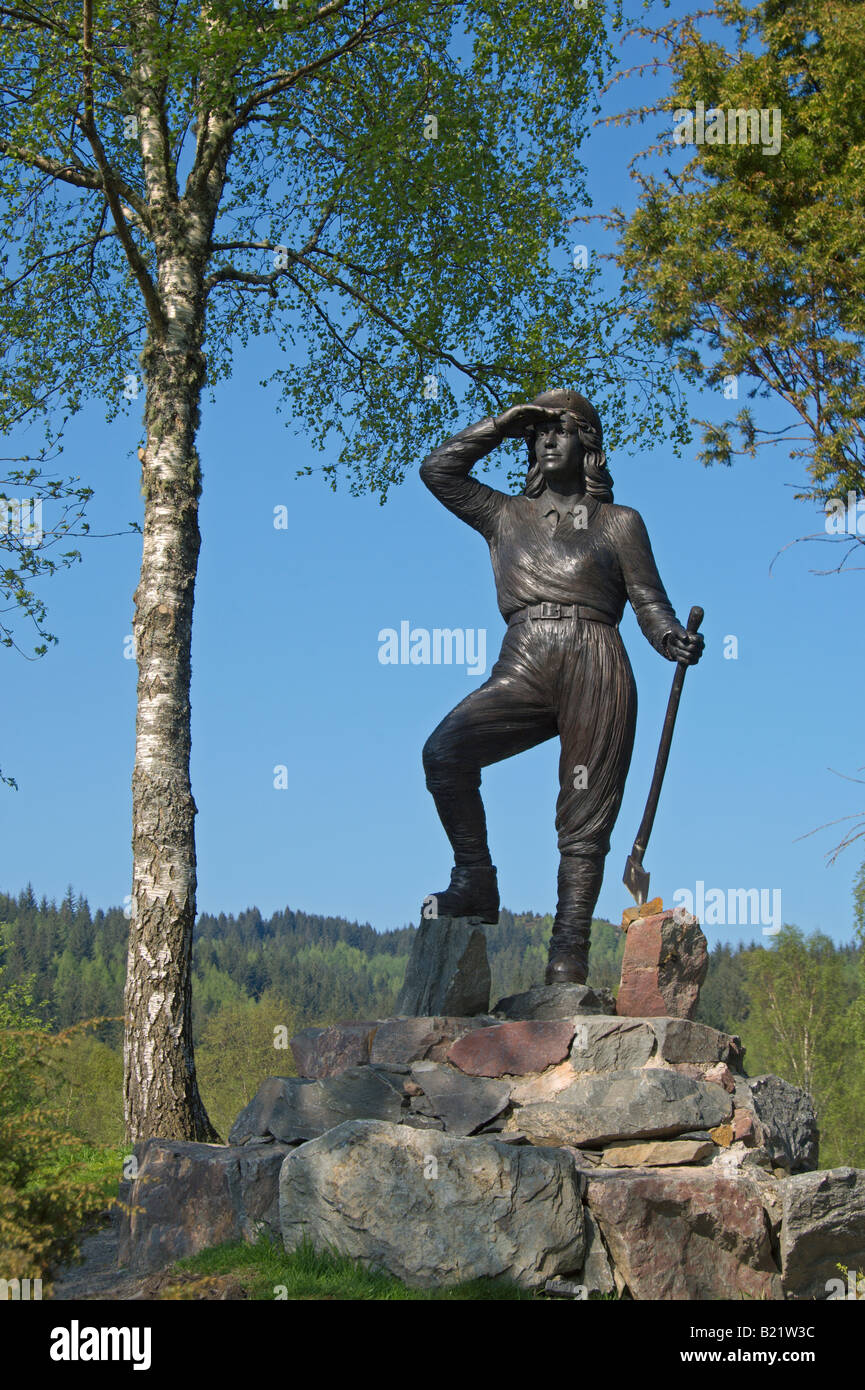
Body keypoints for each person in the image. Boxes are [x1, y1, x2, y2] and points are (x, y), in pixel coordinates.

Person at [419, 389, 704, 986]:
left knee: (583, 819)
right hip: (524, 658)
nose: (547, 440)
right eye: (538, 432)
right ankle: (475, 880)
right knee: (445, 752)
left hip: (596, 661)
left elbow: (650, 605)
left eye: (563, 430)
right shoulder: (504, 515)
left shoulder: (619, 524)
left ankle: (568, 952)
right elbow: (437, 470)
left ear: (589, 446)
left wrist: (672, 637)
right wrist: (501, 424)